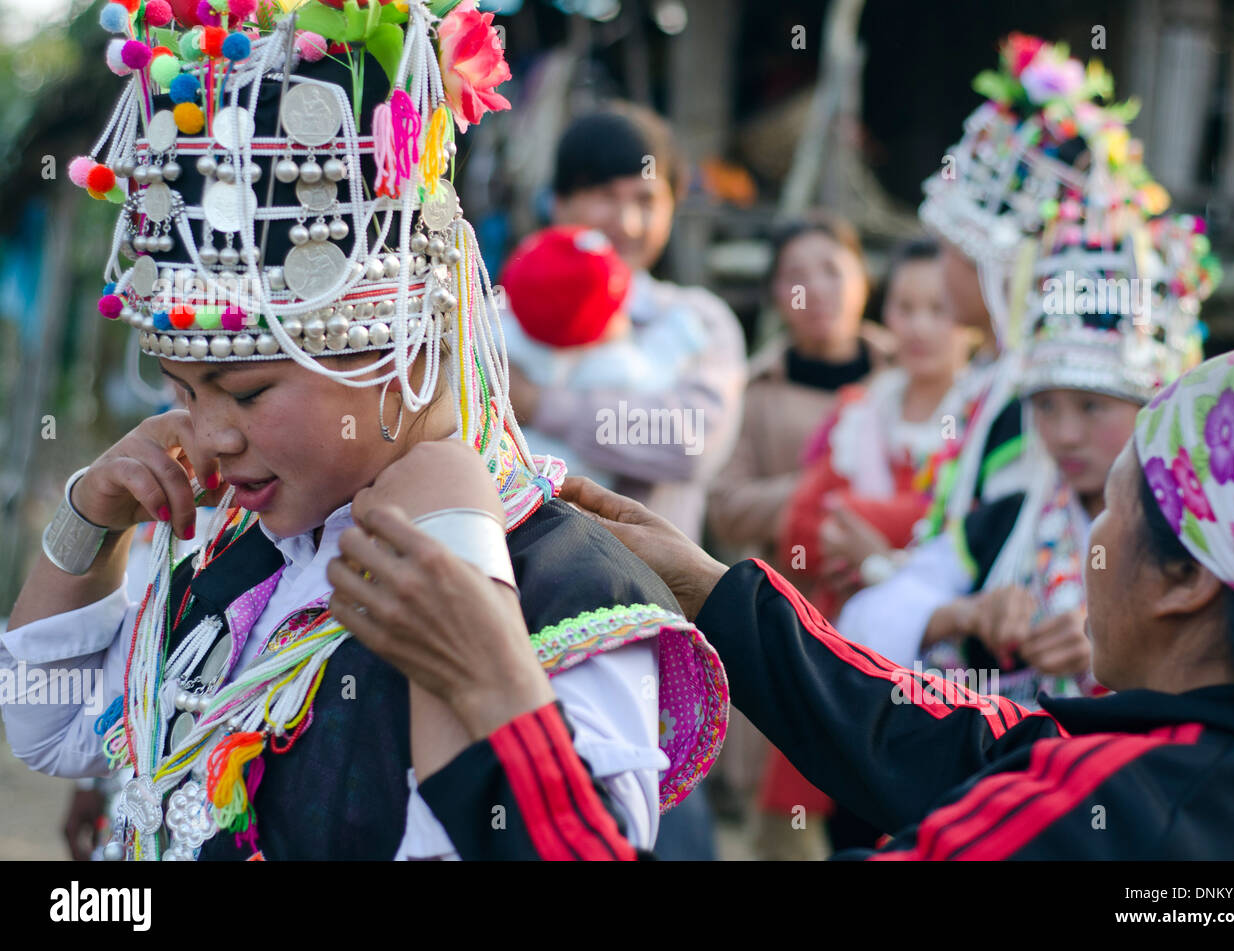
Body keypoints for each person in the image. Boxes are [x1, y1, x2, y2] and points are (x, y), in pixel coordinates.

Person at [0, 1, 726, 861]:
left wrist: (457, 559)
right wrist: (88, 521)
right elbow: (45, 728)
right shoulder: (239, 548)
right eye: (182, 392)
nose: (207, 435)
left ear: (402, 339)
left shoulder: (561, 589)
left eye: (246, 389)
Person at [336, 341, 1234, 860]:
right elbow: (975, 747)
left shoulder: (1142, 819)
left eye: (1119, 508)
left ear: (1188, 580)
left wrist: (504, 692)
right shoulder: (1219, 774)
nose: (1092, 536)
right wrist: (717, 596)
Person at [837, 214, 1219, 707]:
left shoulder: (1198, 536)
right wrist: (963, 614)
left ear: (1153, 406)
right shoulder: (1008, 521)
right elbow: (863, 623)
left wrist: (1115, 653)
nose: (1064, 434)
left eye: (1091, 407)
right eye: (1044, 406)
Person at [914, 34, 1174, 543]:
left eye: (951, 252)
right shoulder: (993, 379)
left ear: (998, 268)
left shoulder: (1032, 398)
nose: (1065, 429)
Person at [506, 104, 747, 545]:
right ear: (559, 204)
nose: (627, 222)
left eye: (646, 200)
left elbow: (689, 441)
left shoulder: (698, 320)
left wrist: (538, 403)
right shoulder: (507, 313)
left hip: (652, 590)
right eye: (606, 196)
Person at [778, 238, 970, 619]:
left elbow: (954, 526)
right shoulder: (860, 411)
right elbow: (797, 532)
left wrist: (847, 512)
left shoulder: (976, 419)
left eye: (938, 309)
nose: (919, 327)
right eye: (905, 308)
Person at [707, 213, 892, 568]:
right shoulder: (754, 390)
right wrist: (825, 484)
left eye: (832, 271)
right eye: (796, 278)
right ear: (775, 295)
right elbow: (725, 509)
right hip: (795, 599)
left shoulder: (904, 371)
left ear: (863, 280)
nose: (817, 290)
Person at [498, 225, 708, 485]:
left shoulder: (500, 340)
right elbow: (657, 369)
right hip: (569, 491)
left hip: (506, 478)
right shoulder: (611, 366)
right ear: (603, 325)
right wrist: (681, 330)